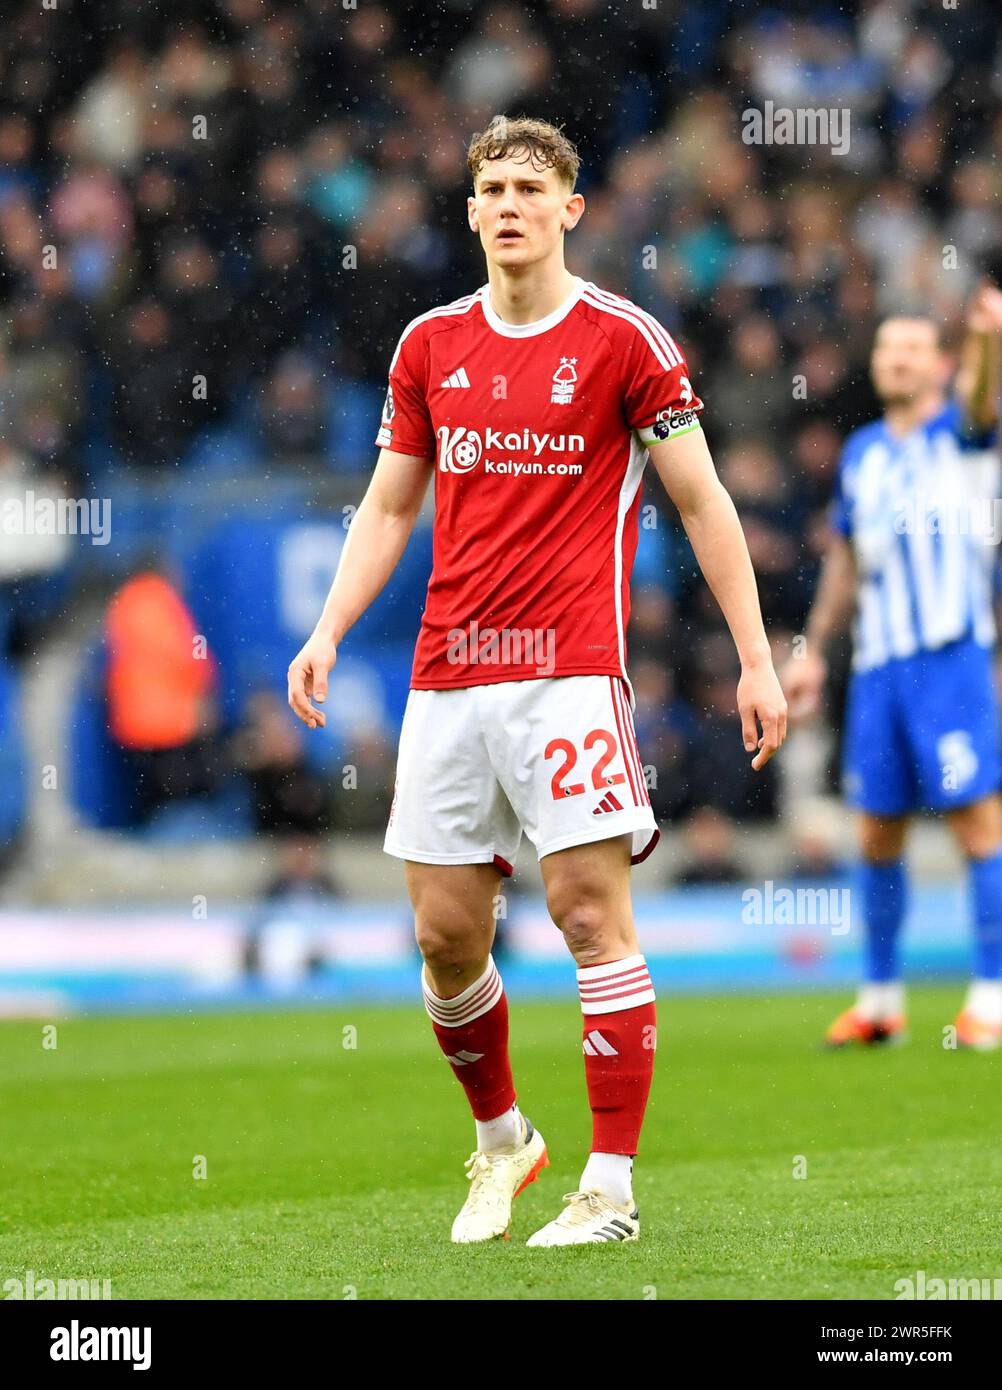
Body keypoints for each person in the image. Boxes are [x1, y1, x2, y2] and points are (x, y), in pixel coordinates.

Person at [288, 116, 786, 1245]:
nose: (508, 204)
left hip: (568, 670)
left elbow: (704, 504)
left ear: (570, 210)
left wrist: (758, 656)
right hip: (447, 674)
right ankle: (506, 1142)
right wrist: (328, 628)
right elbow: (389, 504)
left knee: (585, 915)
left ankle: (609, 1190)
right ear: (468, 212)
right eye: (491, 188)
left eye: (530, 188)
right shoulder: (427, 346)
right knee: (447, 938)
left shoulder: (626, 341)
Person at [783, 287, 1002, 1050]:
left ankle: (992, 997)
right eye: (887, 349)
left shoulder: (963, 436)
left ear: (937, 365)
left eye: (911, 349)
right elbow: (844, 560)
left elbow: (983, 397)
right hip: (878, 668)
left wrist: (986, 340)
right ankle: (880, 1001)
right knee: (875, 831)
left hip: (951, 657)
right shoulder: (863, 452)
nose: (897, 360)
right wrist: (812, 650)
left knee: (978, 823)